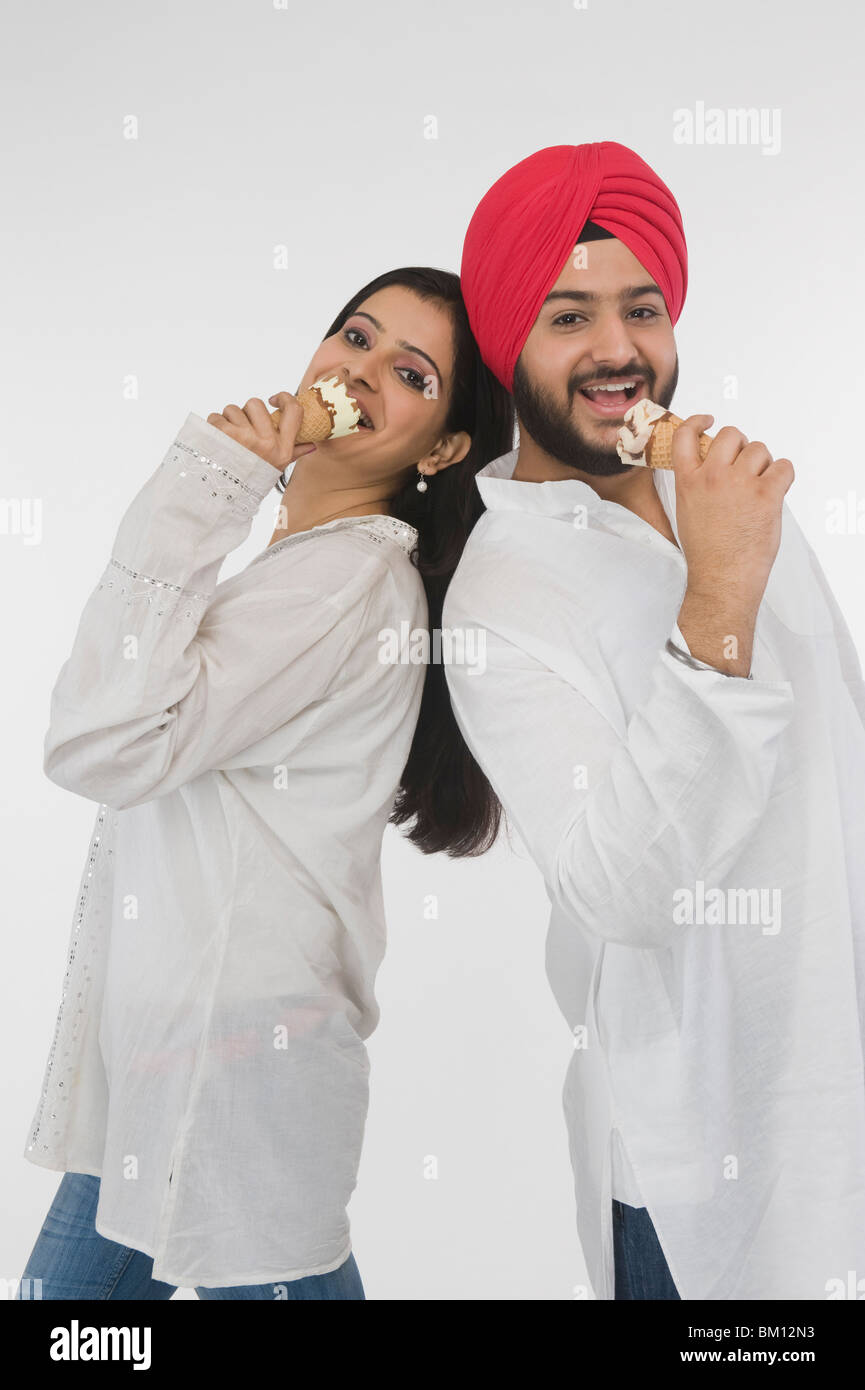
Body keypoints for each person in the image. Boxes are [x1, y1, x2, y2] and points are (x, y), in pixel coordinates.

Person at [17, 266, 514, 1300]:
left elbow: (101, 741)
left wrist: (207, 483)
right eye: (355, 336)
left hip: (236, 1061)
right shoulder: (310, 564)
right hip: (184, 1049)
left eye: (410, 372)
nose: (361, 372)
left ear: (444, 446)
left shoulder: (341, 582)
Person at [442, 141, 865, 1300]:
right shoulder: (498, 595)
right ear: (505, 341)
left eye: (642, 308)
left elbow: (844, 769)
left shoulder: (730, 495)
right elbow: (625, 890)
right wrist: (717, 602)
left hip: (848, 1122)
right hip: (697, 1180)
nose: (618, 350)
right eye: (567, 315)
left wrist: (732, 549)